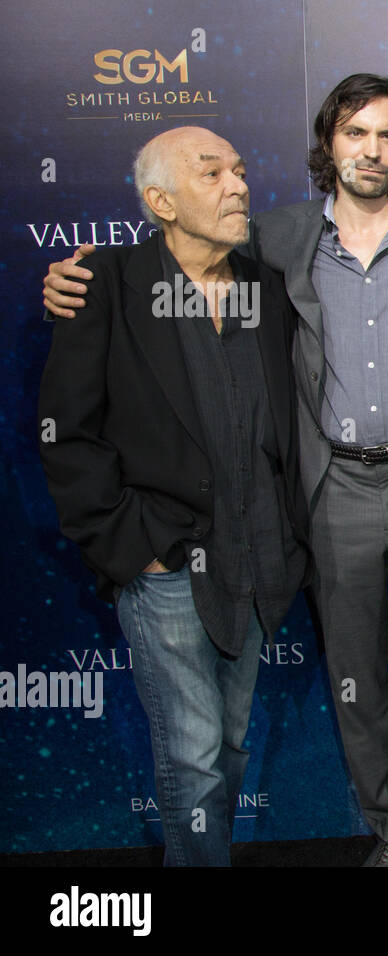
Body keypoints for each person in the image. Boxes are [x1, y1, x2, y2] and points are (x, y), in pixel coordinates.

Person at [41, 74, 388, 867]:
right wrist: (73, 274)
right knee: (357, 678)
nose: (372, 150)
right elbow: (171, 262)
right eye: (355, 133)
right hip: (333, 491)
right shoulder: (274, 238)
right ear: (329, 143)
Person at [38, 127, 309, 865]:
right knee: (191, 757)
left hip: (261, 563)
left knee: (228, 744)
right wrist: (136, 549)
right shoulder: (107, 285)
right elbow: (68, 433)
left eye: (242, 170)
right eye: (212, 172)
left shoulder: (268, 289)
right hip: (168, 566)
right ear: (161, 200)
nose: (239, 186)